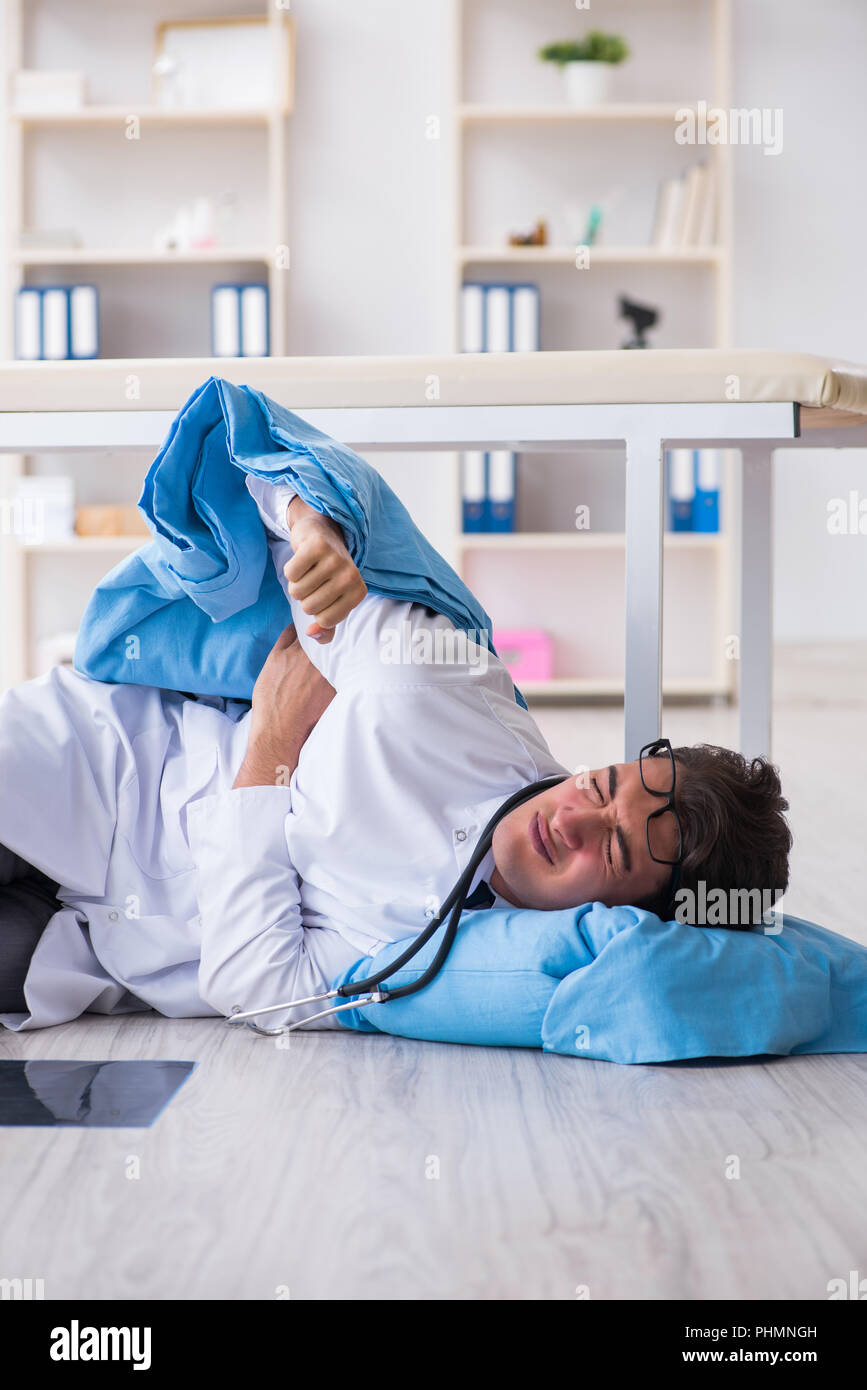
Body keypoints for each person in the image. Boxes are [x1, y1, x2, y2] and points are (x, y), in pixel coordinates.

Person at [0, 480, 792, 1032]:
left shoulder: (447, 968)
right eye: (603, 784)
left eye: (612, 849)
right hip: (107, 773)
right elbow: (297, 489)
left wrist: (275, 750)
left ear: (623, 916)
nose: (574, 817)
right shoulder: (442, 687)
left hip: (95, 954)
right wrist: (316, 529)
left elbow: (257, 991)